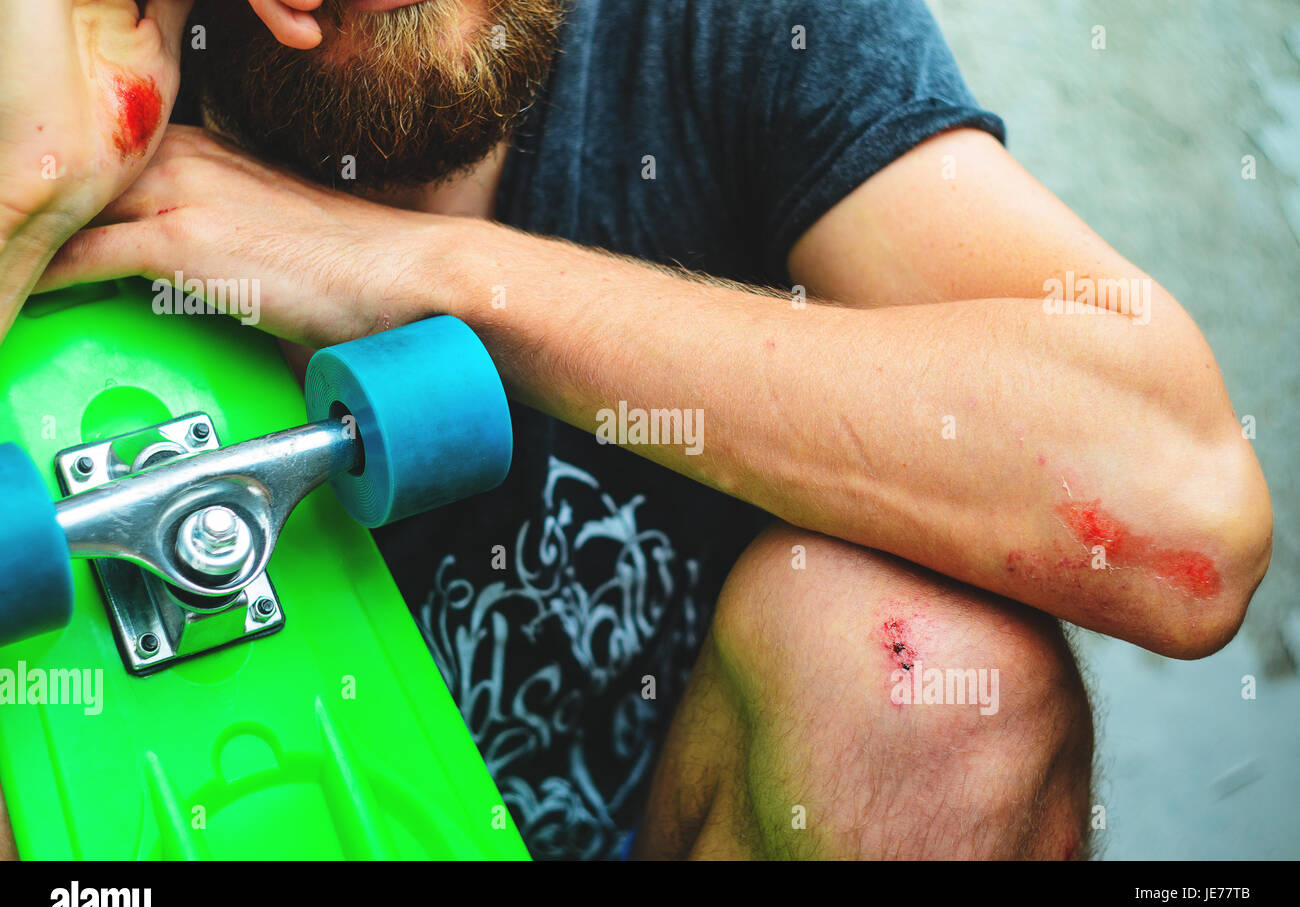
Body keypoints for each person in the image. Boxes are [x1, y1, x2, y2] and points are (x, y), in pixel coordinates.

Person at [0, 0, 1272, 861]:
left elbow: (1182, 513)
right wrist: (24, 182)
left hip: (694, 813)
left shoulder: (722, 31)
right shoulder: (61, 82)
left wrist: (428, 277)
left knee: (933, 677)